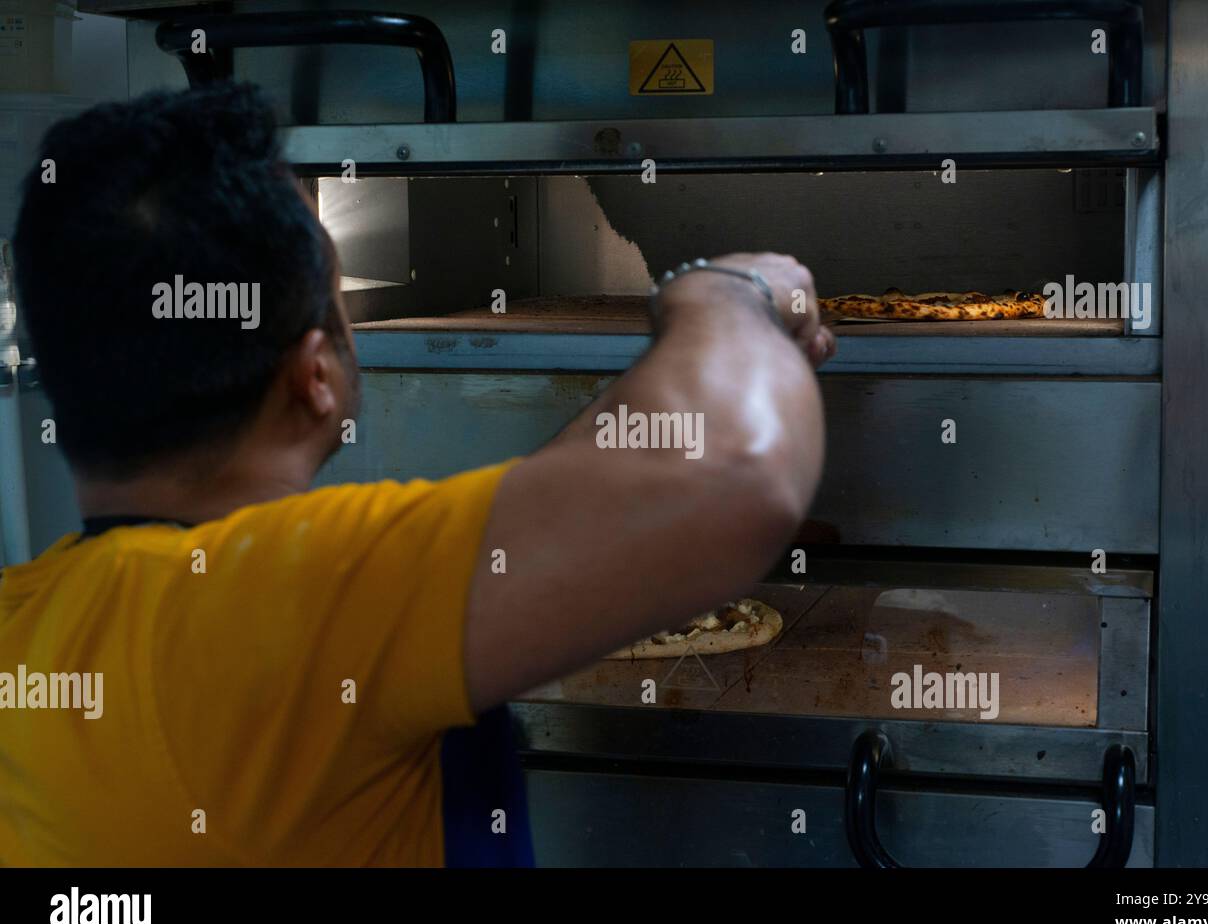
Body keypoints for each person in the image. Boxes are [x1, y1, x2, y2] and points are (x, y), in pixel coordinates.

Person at [0, 83, 833, 866]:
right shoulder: (298, 598)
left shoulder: (31, 626)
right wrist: (726, 296)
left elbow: (534, 525)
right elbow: (736, 472)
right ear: (314, 374)